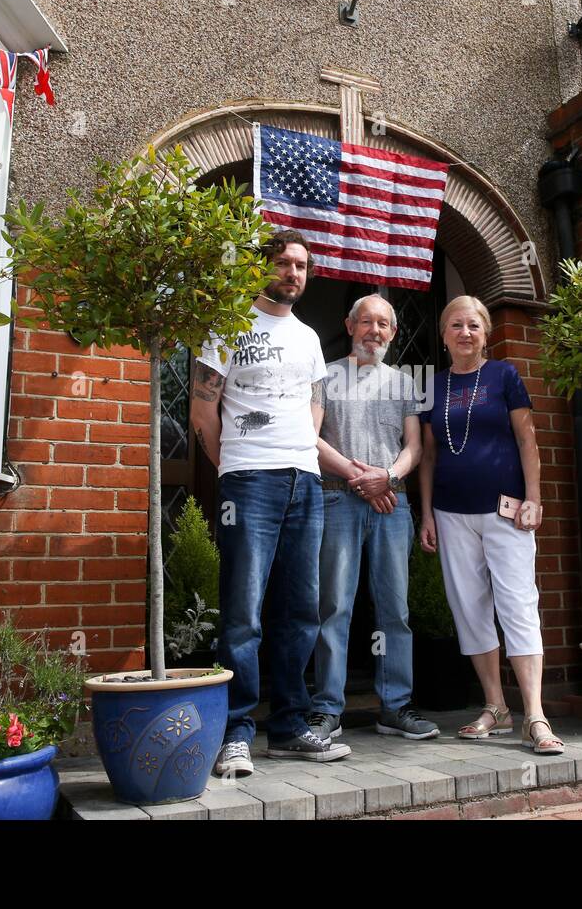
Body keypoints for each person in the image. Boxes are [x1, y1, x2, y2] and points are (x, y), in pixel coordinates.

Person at [190, 228, 350, 777]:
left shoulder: (308, 337)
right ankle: (235, 733)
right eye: (284, 263)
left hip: (304, 481)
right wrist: (232, 466)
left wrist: (301, 451)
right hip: (249, 481)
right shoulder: (227, 325)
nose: (293, 273)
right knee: (242, 614)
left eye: (302, 266)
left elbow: (315, 407)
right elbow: (202, 413)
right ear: (263, 267)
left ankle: (288, 727)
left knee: (301, 609)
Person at [417, 295, 564, 754]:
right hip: (450, 511)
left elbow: (527, 438)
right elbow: (428, 455)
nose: (465, 333)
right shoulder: (431, 386)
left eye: (474, 326)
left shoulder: (505, 376)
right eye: (456, 325)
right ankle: (496, 707)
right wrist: (425, 512)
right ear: (443, 335)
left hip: (507, 510)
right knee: (470, 608)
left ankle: (535, 714)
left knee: (518, 604)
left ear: (486, 333)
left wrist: (534, 499)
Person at [309, 294, 438, 742]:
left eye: (383, 324)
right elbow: (310, 437)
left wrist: (387, 476)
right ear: (350, 326)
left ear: (393, 332)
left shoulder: (404, 382)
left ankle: (395, 706)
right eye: (367, 322)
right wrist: (359, 477)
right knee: (334, 608)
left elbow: (415, 447)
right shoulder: (324, 375)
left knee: (394, 611)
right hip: (337, 500)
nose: (375, 331)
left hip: (391, 505)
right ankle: (328, 709)